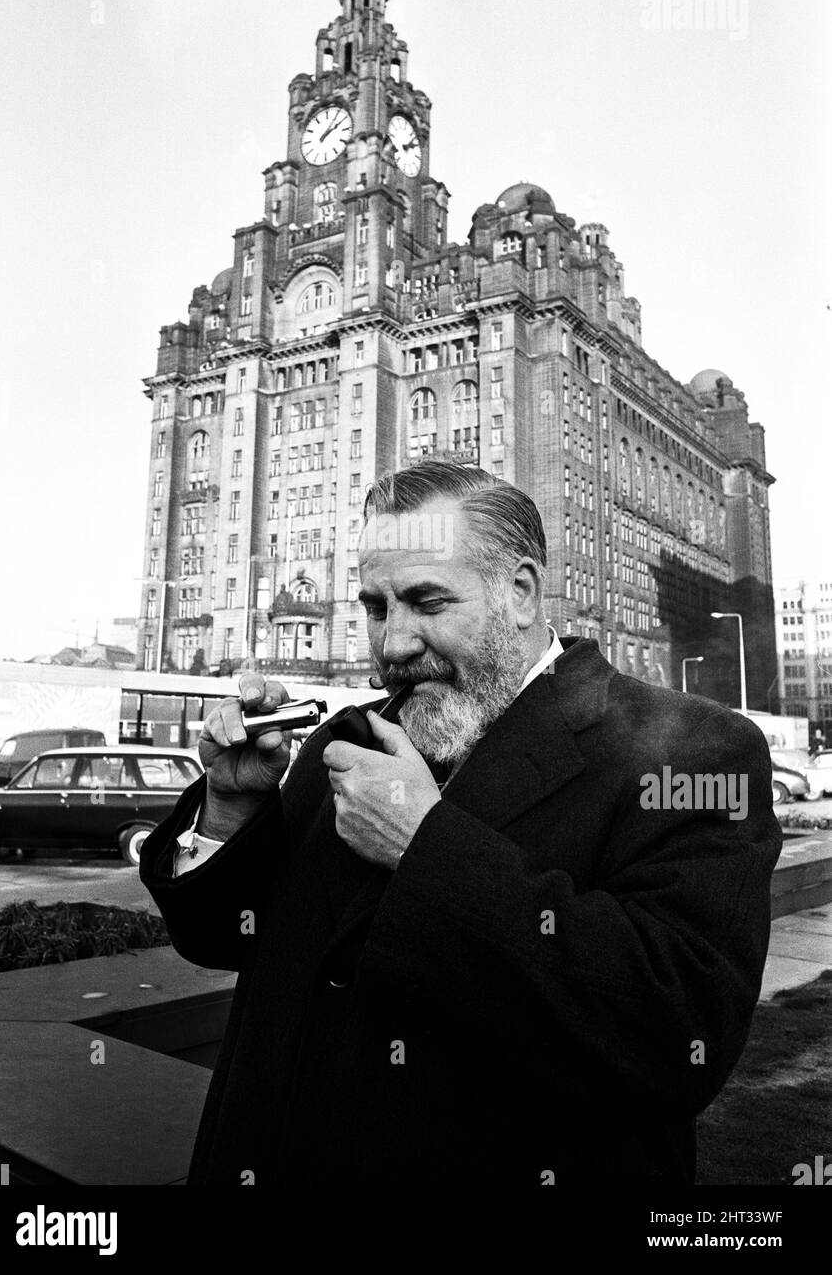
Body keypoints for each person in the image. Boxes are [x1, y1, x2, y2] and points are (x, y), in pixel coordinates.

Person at [140, 461, 781, 1189]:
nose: (393, 645)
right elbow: (224, 937)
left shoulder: (693, 749)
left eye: (427, 601)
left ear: (521, 592)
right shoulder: (344, 743)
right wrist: (229, 808)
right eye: (377, 607)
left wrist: (425, 846)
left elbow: (679, 1031)